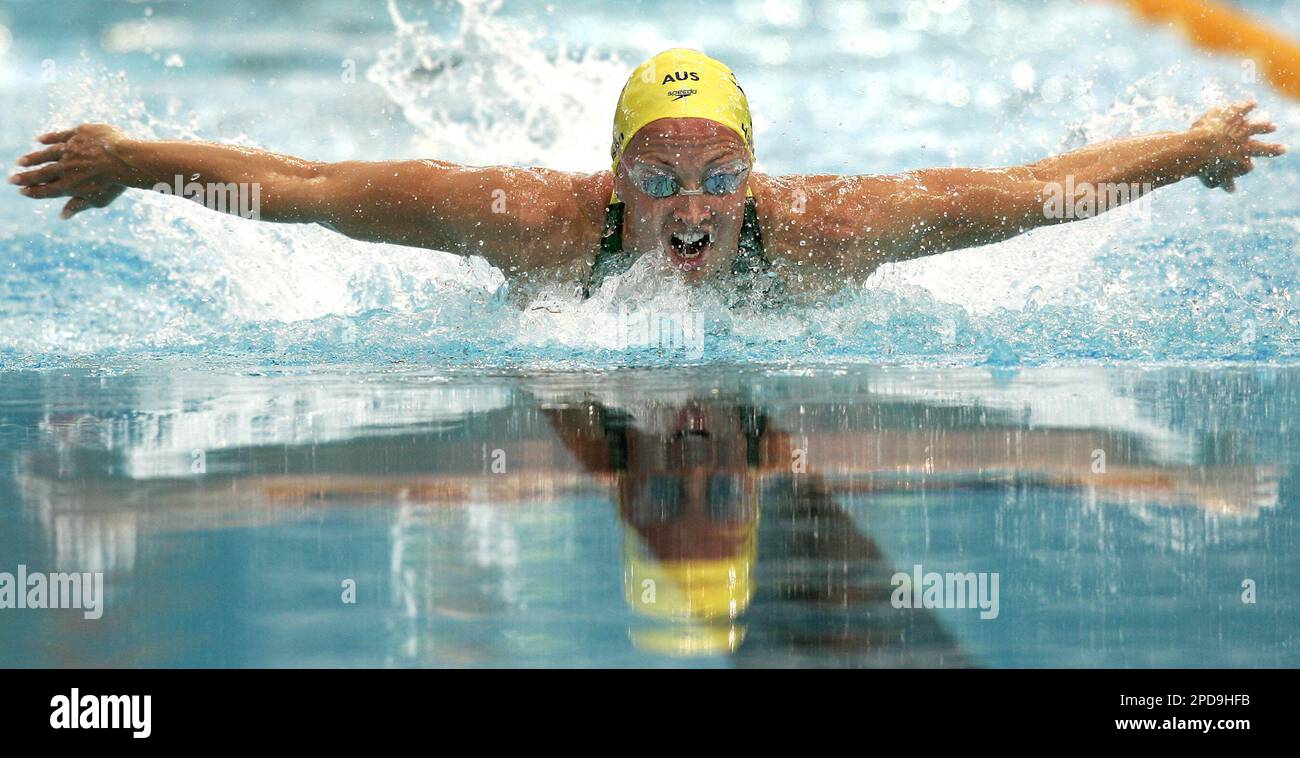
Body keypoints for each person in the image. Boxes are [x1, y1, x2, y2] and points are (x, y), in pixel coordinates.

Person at [9, 48, 1286, 304]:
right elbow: (310, 183)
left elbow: (1031, 194)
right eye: (660, 174)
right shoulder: (531, 223)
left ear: (756, 177)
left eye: (718, 176)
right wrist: (136, 164)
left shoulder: (835, 229)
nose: (690, 204)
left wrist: (1192, 151)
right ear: (613, 179)